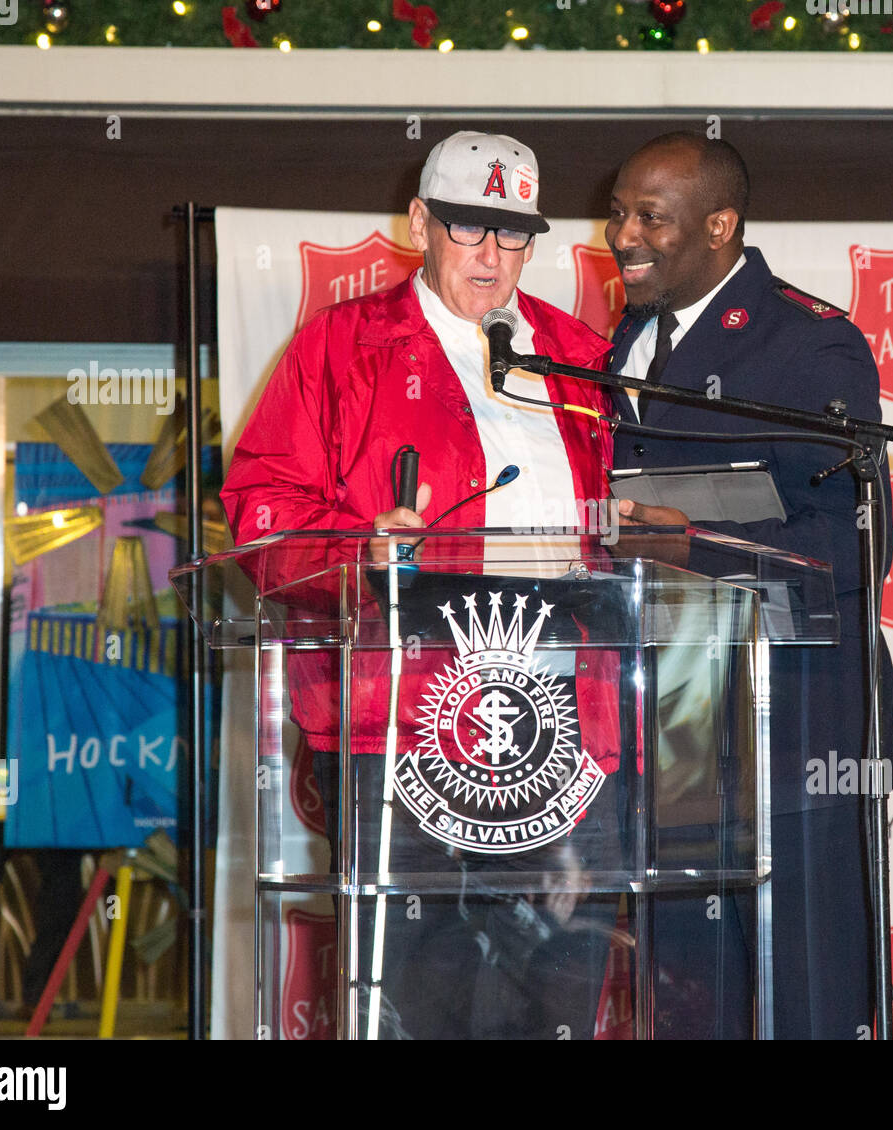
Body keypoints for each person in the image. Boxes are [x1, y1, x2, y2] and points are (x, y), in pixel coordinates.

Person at [220, 130, 623, 1039]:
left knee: (554, 1003)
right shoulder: (342, 348)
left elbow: (630, 523)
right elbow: (258, 509)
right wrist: (357, 546)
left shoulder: (580, 360)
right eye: (468, 228)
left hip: (567, 730)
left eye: (513, 234)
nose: (491, 255)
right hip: (405, 732)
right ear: (419, 224)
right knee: (419, 1007)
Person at [604, 131, 893, 1039]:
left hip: (798, 722)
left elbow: (862, 541)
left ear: (721, 224)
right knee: (688, 996)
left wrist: (699, 547)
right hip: (673, 721)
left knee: (811, 993)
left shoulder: (808, 342)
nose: (622, 235)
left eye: (649, 216)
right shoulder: (623, 338)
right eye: (617, 213)